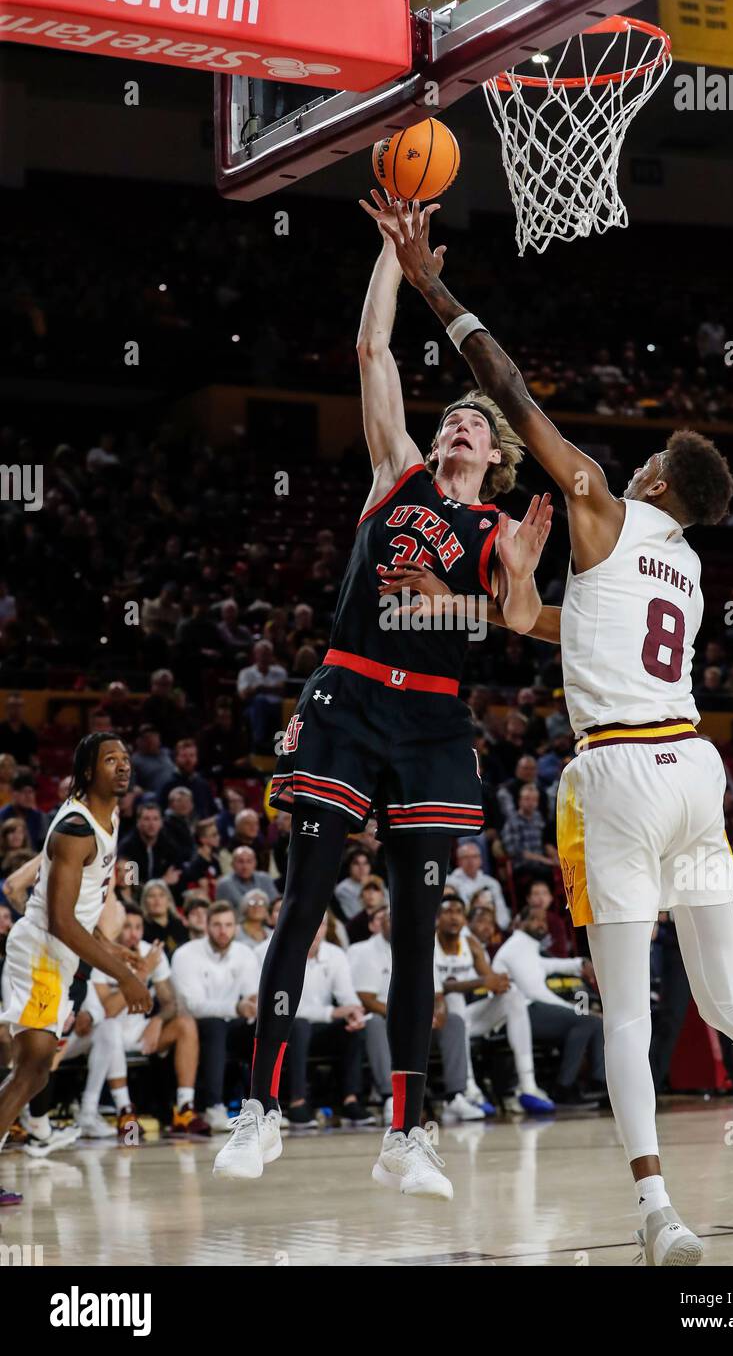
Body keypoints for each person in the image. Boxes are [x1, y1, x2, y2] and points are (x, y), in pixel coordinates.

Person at [384, 197, 733, 1264]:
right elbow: (555, 624)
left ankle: (657, 1212)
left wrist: (434, 288)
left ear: (649, 479)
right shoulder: (683, 569)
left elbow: (509, 390)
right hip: (697, 766)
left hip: (619, 776)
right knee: (728, 994)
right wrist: (474, 609)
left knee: (633, 1010)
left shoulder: (600, 504)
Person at [214, 191, 551, 1198]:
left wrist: (512, 578)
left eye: (468, 426)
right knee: (302, 901)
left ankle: (408, 1131)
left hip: (433, 723)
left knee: (412, 927)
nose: (451, 426)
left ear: (492, 457)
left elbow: (514, 621)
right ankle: (262, 1111)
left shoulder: (498, 533)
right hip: (348, 698)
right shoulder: (394, 478)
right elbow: (373, 356)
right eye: (446, 418)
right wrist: (389, 261)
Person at [0, 734, 152, 1184]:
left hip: (61, 955)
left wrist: (110, 948)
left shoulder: (112, 816)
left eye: (125, 759)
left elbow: (81, 915)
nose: (123, 766)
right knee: (31, 1068)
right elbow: (61, 921)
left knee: (35, 1071)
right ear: (88, 771)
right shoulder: (75, 829)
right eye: (110, 760)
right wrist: (124, 976)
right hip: (44, 953)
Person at [78, 902, 208, 1138]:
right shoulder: (100, 955)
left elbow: (171, 1002)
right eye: (127, 926)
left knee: (185, 1023)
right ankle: (124, 1111)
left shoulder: (149, 951)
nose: (134, 933)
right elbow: (108, 1010)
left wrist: (158, 1020)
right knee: (111, 1029)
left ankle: (185, 1108)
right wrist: (141, 973)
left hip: (139, 1029)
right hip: (101, 1033)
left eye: (138, 927)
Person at [350, 909, 484, 1125]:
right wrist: (403, 1015)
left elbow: (438, 994)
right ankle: (389, 1097)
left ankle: (455, 1096)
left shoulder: (420, 946)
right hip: (384, 1016)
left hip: (417, 1017)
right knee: (374, 1024)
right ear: (381, 924)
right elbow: (366, 998)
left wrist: (439, 1012)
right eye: (389, 919)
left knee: (455, 1021)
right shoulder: (367, 951)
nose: (395, 924)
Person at [434, 893, 551, 1116]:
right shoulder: (429, 944)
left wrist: (501, 982)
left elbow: (491, 982)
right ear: (437, 917)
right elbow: (438, 990)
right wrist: (481, 981)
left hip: (466, 1021)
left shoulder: (471, 945)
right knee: (453, 999)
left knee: (514, 996)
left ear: (464, 920)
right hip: (436, 1020)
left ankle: (527, 1085)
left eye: (459, 912)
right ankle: (467, 1089)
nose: (454, 917)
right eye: (448, 912)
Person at [255, 914, 373, 1132]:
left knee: (353, 1030)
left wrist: (354, 1011)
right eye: (312, 924)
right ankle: (297, 1102)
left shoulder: (335, 954)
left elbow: (346, 994)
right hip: (283, 1028)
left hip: (320, 1026)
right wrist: (332, 1012)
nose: (316, 931)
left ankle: (351, 1100)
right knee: (299, 1025)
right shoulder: (271, 951)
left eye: (322, 925)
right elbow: (280, 1007)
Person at [491, 912, 605, 1105]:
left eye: (543, 920)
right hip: (514, 1014)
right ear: (519, 922)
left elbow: (548, 965)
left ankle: (596, 1082)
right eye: (533, 919)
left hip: (528, 1010)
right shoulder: (516, 947)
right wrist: (569, 1008)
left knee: (590, 1021)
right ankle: (566, 1086)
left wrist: (580, 964)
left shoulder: (527, 947)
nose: (540, 924)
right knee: (587, 1021)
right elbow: (534, 991)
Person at [170, 902, 258, 1134]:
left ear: (236, 928)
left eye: (228, 925)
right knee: (215, 1024)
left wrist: (253, 1003)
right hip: (194, 1028)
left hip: (234, 1022)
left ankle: (263, 1105)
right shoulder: (186, 954)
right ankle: (213, 1106)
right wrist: (237, 1008)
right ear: (206, 927)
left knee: (266, 1027)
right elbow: (195, 1007)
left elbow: (252, 993)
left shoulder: (245, 953)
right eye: (217, 925)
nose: (223, 931)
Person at [215, 846, 277, 914]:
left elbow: (275, 904)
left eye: (249, 861)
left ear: (255, 863)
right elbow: (220, 912)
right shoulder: (224, 885)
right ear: (232, 864)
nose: (245, 866)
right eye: (240, 861)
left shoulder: (265, 879)